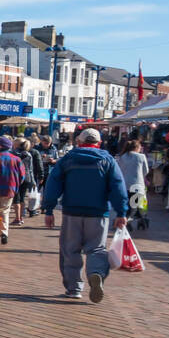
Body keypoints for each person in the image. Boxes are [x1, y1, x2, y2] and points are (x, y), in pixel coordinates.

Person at [43, 129, 129, 301]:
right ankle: (95, 273)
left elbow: (53, 184)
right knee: (96, 248)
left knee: (70, 250)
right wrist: (121, 212)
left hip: (71, 212)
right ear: (99, 142)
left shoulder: (68, 159)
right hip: (98, 213)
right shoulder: (108, 160)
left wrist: (49, 209)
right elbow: (118, 186)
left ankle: (74, 288)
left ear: (79, 142)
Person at [116, 138, 149, 207]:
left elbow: (118, 170)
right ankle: (134, 216)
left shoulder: (122, 156)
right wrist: (140, 176)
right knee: (134, 205)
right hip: (137, 184)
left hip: (124, 184)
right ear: (137, 147)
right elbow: (146, 170)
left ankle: (126, 216)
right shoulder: (141, 156)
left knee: (126, 205)